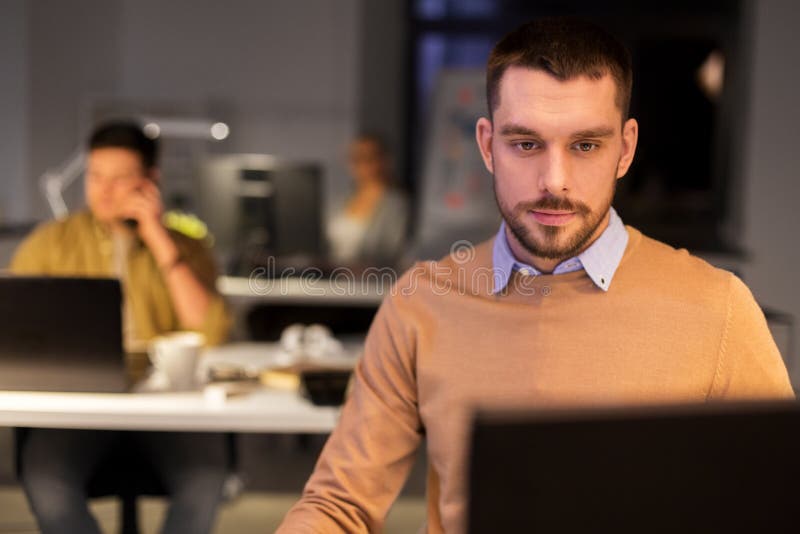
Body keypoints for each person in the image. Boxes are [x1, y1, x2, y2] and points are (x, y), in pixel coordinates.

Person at [276, 17, 793, 534]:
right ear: (487, 145)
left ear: (626, 148)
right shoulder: (422, 301)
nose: (554, 181)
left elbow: (776, 504)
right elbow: (339, 505)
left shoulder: (717, 308)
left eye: (586, 145)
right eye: (526, 144)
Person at [10, 121, 230, 534]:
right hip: (80, 403)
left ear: (151, 181)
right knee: (46, 478)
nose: (104, 191)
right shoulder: (51, 242)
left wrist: (159, 239)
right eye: (96, 176)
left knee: (205, 475)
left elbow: (211, 330)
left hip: (167, 404)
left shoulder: (188, 245)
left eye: (120, 178)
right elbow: (16, 326)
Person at [327, 133, 409, 267]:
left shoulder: (396, 205)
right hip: (334, 280)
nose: (362, 165)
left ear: (384, 160)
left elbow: (391, 251)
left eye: (368, 158)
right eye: (355, 158)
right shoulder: (340, 202)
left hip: (372, 281)